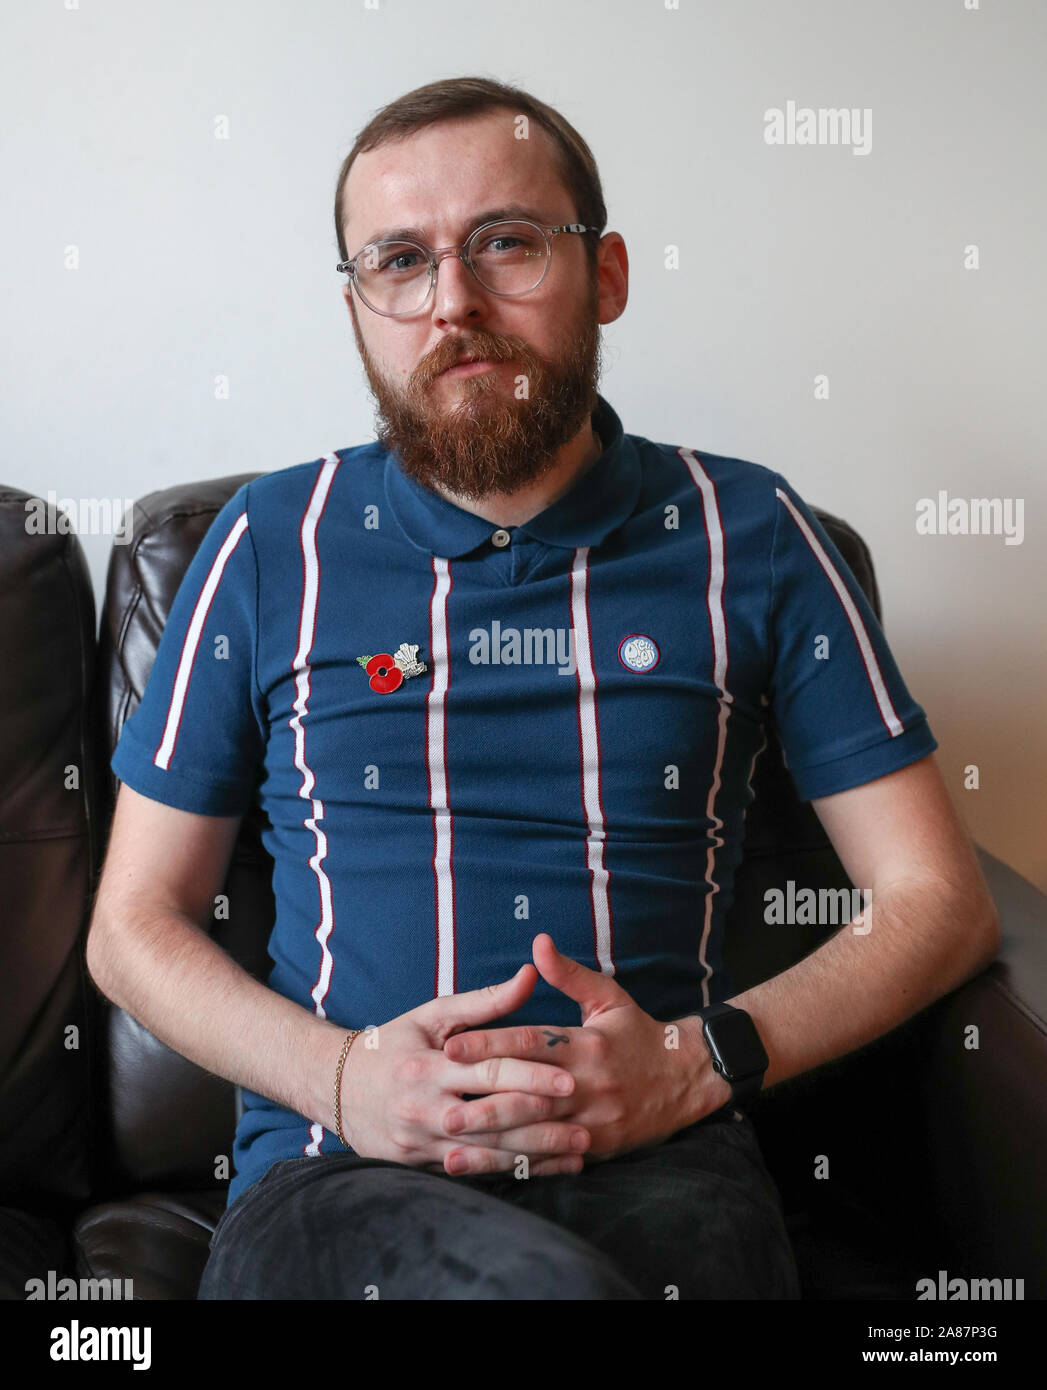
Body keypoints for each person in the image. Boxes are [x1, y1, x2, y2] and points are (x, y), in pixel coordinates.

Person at [86, 76, 1000, 1301]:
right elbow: (130, 926)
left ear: (607, 275)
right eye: (399, 262)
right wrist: (344, 1076)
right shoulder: (268, 547)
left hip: (666, 1160)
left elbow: (940, 898)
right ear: (360, 311)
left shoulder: (753, 534)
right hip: (338, 1175)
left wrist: (699, 1060)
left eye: (505, 243)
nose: (452, 300)